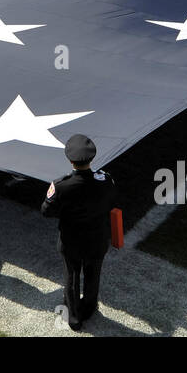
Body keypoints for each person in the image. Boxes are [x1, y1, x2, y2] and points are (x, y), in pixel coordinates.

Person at [41, 134, 117, 331]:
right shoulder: (106, 180)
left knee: (71, 278)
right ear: (91, 158)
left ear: (70, 159)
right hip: (97, 239)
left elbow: (46, 211)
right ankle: (89, 307)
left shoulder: (61, 185)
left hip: (71, 241)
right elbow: (112, 201)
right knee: (93, 274)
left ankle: (74, 317)